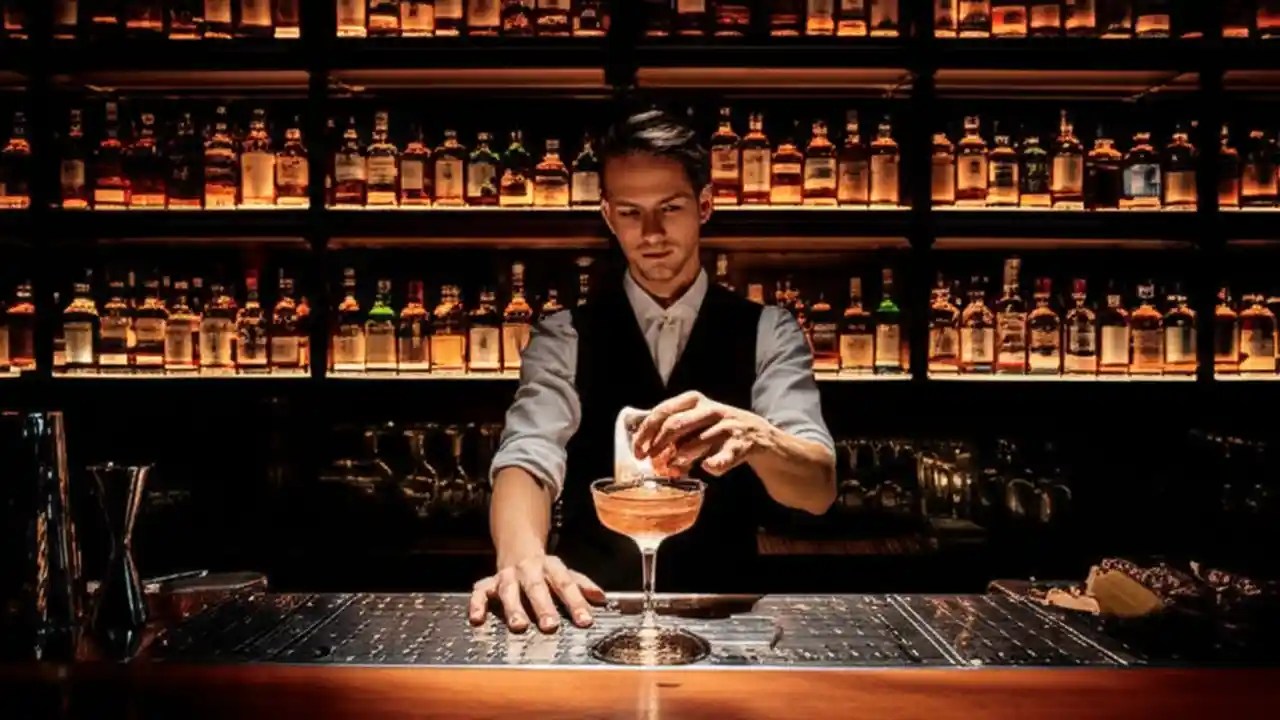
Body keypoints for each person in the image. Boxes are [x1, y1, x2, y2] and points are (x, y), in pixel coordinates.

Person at [468, 107, 837, 634]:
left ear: (705, 205)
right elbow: (527, 456)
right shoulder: (564, 335)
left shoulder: (769, 331)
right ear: (607, 214)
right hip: (590, 616)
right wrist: (523, 556)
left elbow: (818, 490)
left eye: (671, 208)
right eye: (630, 212)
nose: (652, 232)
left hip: (726, 616)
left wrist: (758, 437)